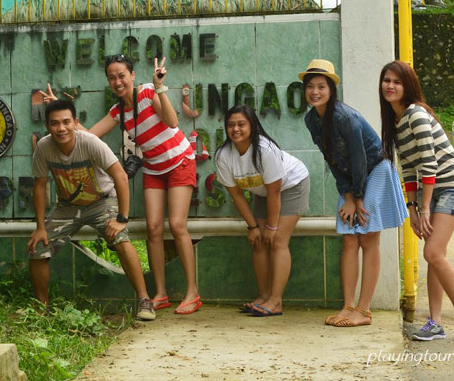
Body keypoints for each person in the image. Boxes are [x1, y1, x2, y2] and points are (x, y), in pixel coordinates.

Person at [42, 54, 201, 314]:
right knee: (152, 228)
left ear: (133, 75)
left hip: (179, 161)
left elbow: (172, 122)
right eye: (112, 77)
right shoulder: (120, 111)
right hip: (153, 167)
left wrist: (159, 87)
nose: (117, 82)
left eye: (122, 76)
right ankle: (160, 294)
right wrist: (62, 112)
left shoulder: (149, 92)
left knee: (177, 225)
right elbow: (90, 136)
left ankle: (192, 293)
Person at [300, 58, 407, 327]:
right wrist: (347, 195)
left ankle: (364, 310)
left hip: (375, 171)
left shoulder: (345, 117)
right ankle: (348, 307)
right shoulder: (311, 119)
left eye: (321, 86)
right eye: (310, 86)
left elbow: (360, 158)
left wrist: (358, 198)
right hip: (351, 179)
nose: (315, 92)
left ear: (331, 90)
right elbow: (331, 158)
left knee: (368, 239)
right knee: (349, 239)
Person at [27, 100, 155, 321]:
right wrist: (40, 227)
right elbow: (39, 186)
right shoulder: (44, 147)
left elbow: (120, 176)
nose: (61, 128)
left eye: (67, 122)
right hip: (67, 206)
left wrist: (122, 219)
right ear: (47, 126)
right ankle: (41, 307)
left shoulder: (91, 143)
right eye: (55, 123)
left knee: (121, 239)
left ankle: (144, 300)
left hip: (102, 201)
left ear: (75, 123)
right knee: (38, 247)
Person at [379, 60, 454, 343]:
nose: (390, 86)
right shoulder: (396, 123)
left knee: (433, 252)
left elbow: (430, 164)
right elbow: (409, 170)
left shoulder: (416, 114)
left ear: (408, 86)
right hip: (430, 191)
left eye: (397, 81)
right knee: (436, 254)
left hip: (451, 186)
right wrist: (412, 209)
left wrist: (423, 208)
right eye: (387, 80)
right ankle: (435, 322)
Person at [215, 105, 310, 317]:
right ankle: (264, 296)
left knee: (276, 241)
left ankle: (276, 302)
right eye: (231, 125)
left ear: (252, 126)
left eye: (241, 124)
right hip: (263, 191)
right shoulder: (223, 155)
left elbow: (275, 192)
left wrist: (271, 227)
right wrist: (252, 227)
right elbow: (237, 195)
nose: (235, 129)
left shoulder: (265, 150)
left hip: (291, 185)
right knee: (258, 241)